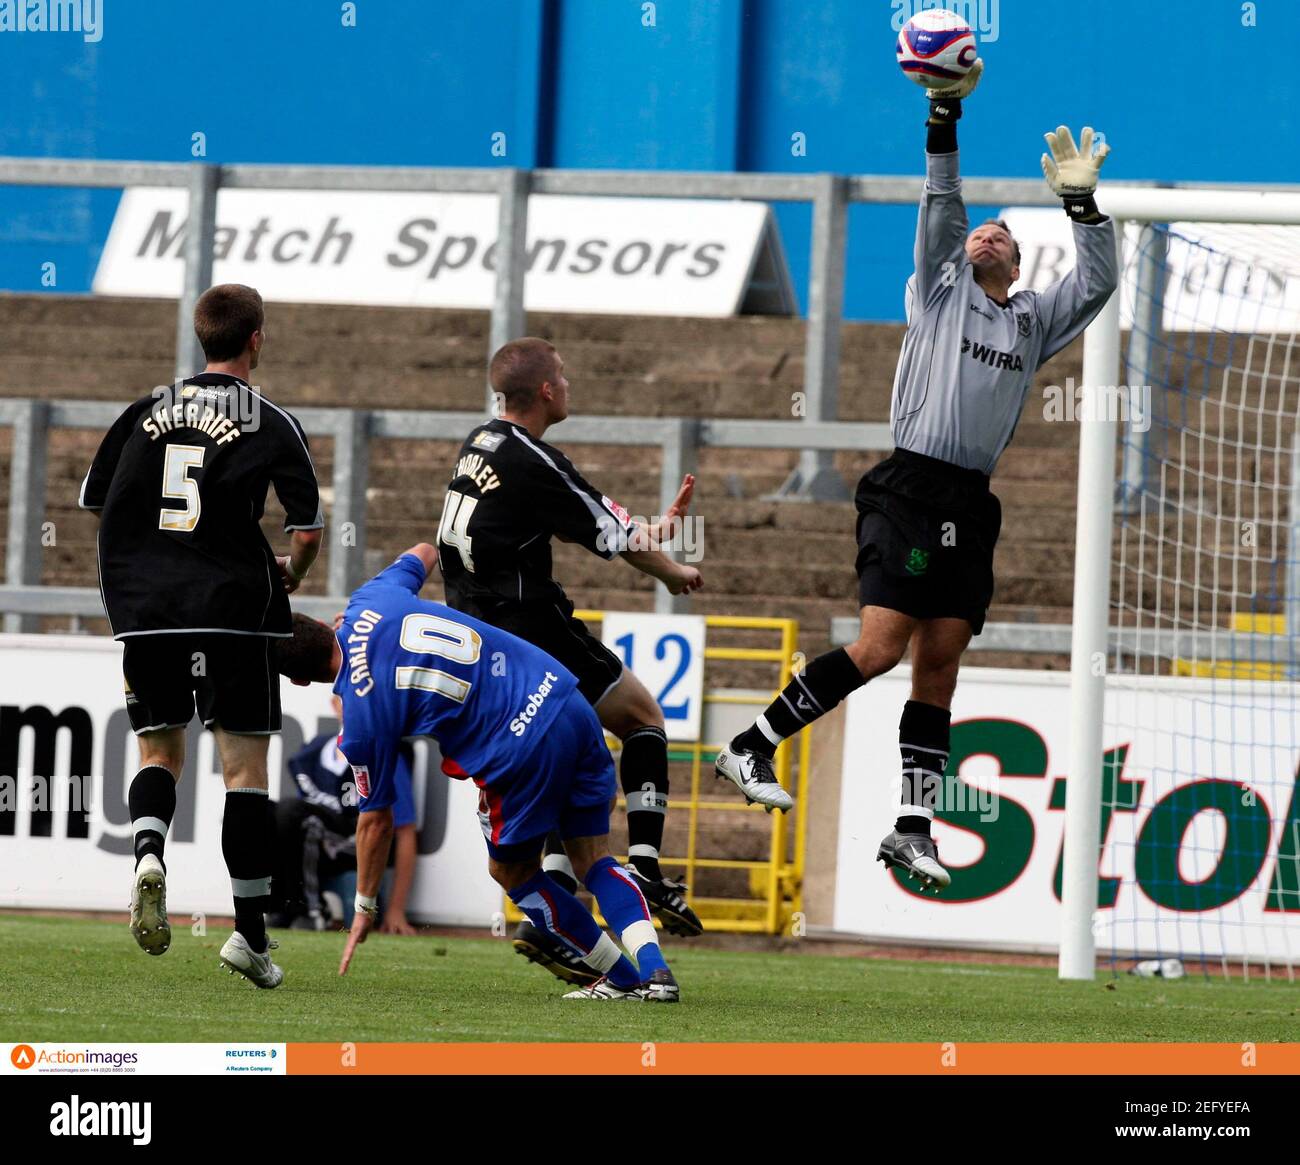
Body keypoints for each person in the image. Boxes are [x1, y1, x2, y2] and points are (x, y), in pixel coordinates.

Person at [715, 61, 1119, 889]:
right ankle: (750, 744)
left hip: (970, 502)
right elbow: (942, 202)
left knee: (939, 663)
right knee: (879, 647)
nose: (985, 233)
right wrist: (943, 115)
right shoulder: (938, 290)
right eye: (979, 230)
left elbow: (1099, 281)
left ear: (1017, 259)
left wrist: (1081, 206)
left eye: (1002, 232)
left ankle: (911, 826)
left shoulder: (1031, 320)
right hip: (910, 483)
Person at [275, 544, 680, 1001]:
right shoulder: (371, 598)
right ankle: (656, 972)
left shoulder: (361, 718)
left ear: (300, 682)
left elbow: (376, 821)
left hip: (516, 747)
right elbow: (426, 551)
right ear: (328, 624)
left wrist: (365, 906)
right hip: (564, 696)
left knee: (513, 872)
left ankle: (622, 979)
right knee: (594, 860)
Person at [436, 337, 708, 983]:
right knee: (643, 718)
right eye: (563, 373)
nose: (569, 379)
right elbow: (612, 534)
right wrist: (672, 571)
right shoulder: (536, 459)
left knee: (544, 771)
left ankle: (551, 912)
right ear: (549, 393)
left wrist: (648, 534)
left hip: (481, 649)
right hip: (536, 634)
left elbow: (574, 521)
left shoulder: (479, 443)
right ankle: (643, 863)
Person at [79, 283, 323, 986]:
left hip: (148, 609)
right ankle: (249, 938)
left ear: (201, 338)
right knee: (243, 773)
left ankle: (150, 853)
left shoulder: (144, 407)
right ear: (256, 340)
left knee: (159, 751)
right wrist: (291, 573)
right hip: (234, 610)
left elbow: (100, 500)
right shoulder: (268, 419)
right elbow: (305, 531)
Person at [269, 691, 419, 933]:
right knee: (264, 813)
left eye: (360, 698)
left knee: (292, 813)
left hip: (357, 842)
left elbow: (405, 831)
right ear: (334, 704)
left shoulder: (386, 753)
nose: (352, 706)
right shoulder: (314, 751)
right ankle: (278, 906)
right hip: (320, 842)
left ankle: (310, 909)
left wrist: (396, 909)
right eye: (344, 697)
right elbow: (297, 821)